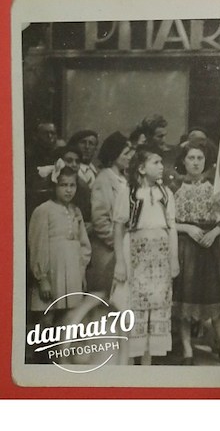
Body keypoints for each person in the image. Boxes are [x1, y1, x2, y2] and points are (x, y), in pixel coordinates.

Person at [172, 139, 220, 366]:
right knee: (185, 301)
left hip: (208, 246)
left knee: (216, 300)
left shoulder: (215, 188)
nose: (195, 163)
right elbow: (165, 222)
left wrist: (214, 233)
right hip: (185, 246)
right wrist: (186, 228)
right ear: (183, 161)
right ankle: (187, 350)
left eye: (200, 158)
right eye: (191, 158)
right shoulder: (173, 188)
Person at [113, 144, 179, 365]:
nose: (161, 167)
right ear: (141, 169)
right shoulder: (129, 193)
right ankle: (129, 364)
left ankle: (147, 364)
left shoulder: (165, 194)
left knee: (156, 305)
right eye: (156, 162)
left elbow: (172, 227)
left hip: (160, 259)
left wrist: (174, 258)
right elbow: (118, 228)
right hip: (135, 255)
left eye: (162, 162)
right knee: (132, 307)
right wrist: (120, 263)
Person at [28, 161, 91, 330]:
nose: (69, 190)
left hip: (72, 272)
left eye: (72, 185)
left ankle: (62, 354)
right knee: (48, 317)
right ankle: (45, 355)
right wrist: (43, 279)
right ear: (54, 185)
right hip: (52, 272)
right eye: (63, 185)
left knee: (69, 318)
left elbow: (83, 244)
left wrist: (81, 271)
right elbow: (37, 244)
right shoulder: (44, 211)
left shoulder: (76, 211)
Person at [86, 132, 133, 294]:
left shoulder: (125, 178)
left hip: (125, 247)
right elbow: (100, 220)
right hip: (109, 251)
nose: (130, 157)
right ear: (114, 155)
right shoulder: (104, 179)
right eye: (126, 153)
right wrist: (118, 244)